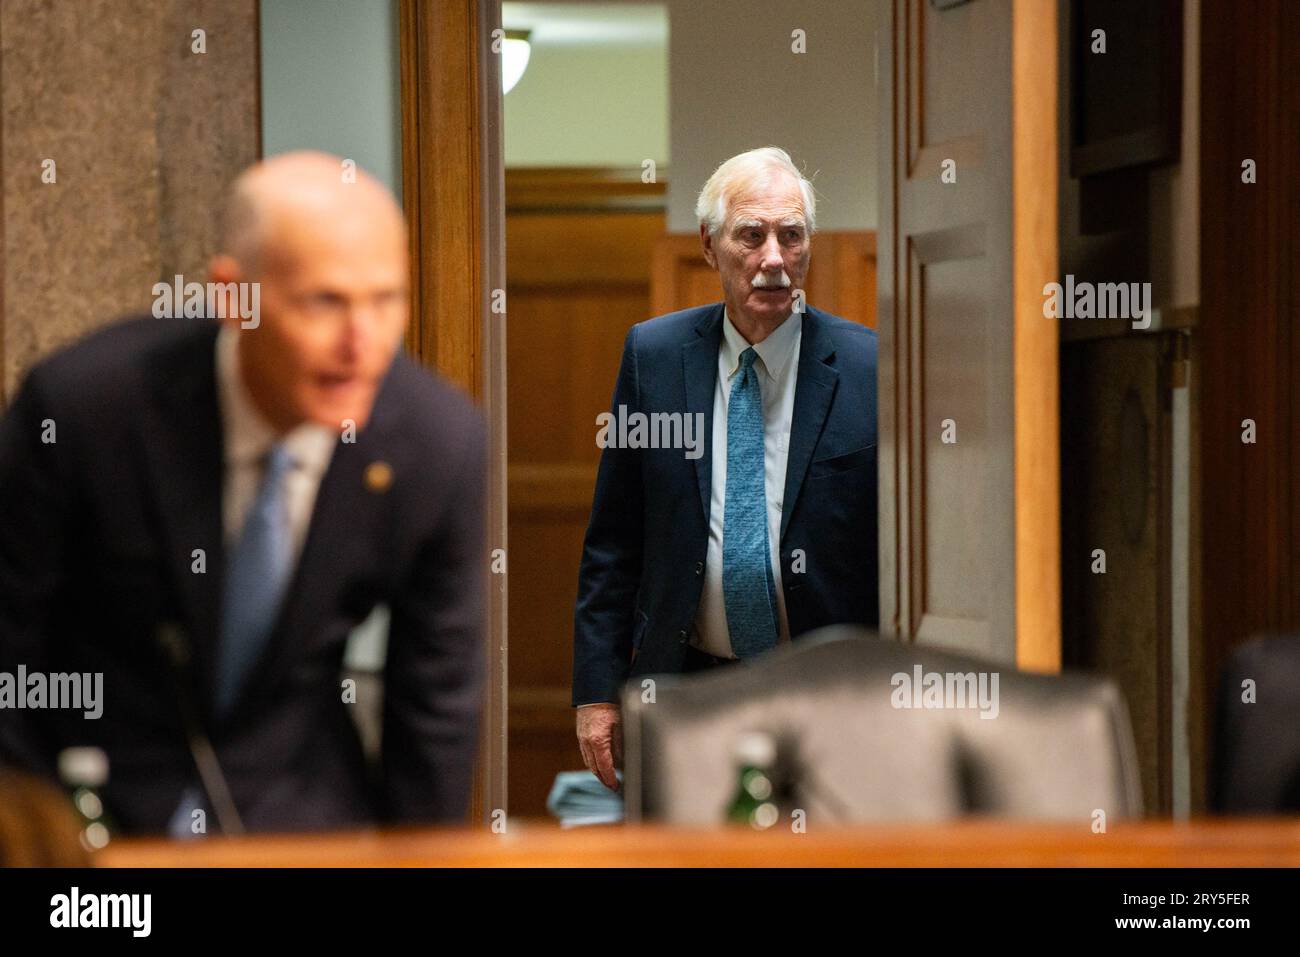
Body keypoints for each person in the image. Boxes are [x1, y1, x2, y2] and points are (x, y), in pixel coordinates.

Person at [0, 152, 486, 833]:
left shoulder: (439, 443)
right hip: (89, 814)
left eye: (386, 299)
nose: (362, 342)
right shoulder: (84, 408)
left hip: (301, 815)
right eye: (325, 301)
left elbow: (435, 703)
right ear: (234, 296)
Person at [573, 147, 878, 791]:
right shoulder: (653, 358)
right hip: (685, 685)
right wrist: (598, 693)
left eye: (791, 237)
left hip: (831, 696)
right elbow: (614, 541)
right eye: (752, 236)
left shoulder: (867, 367)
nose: (774, 259)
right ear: (710, 246)